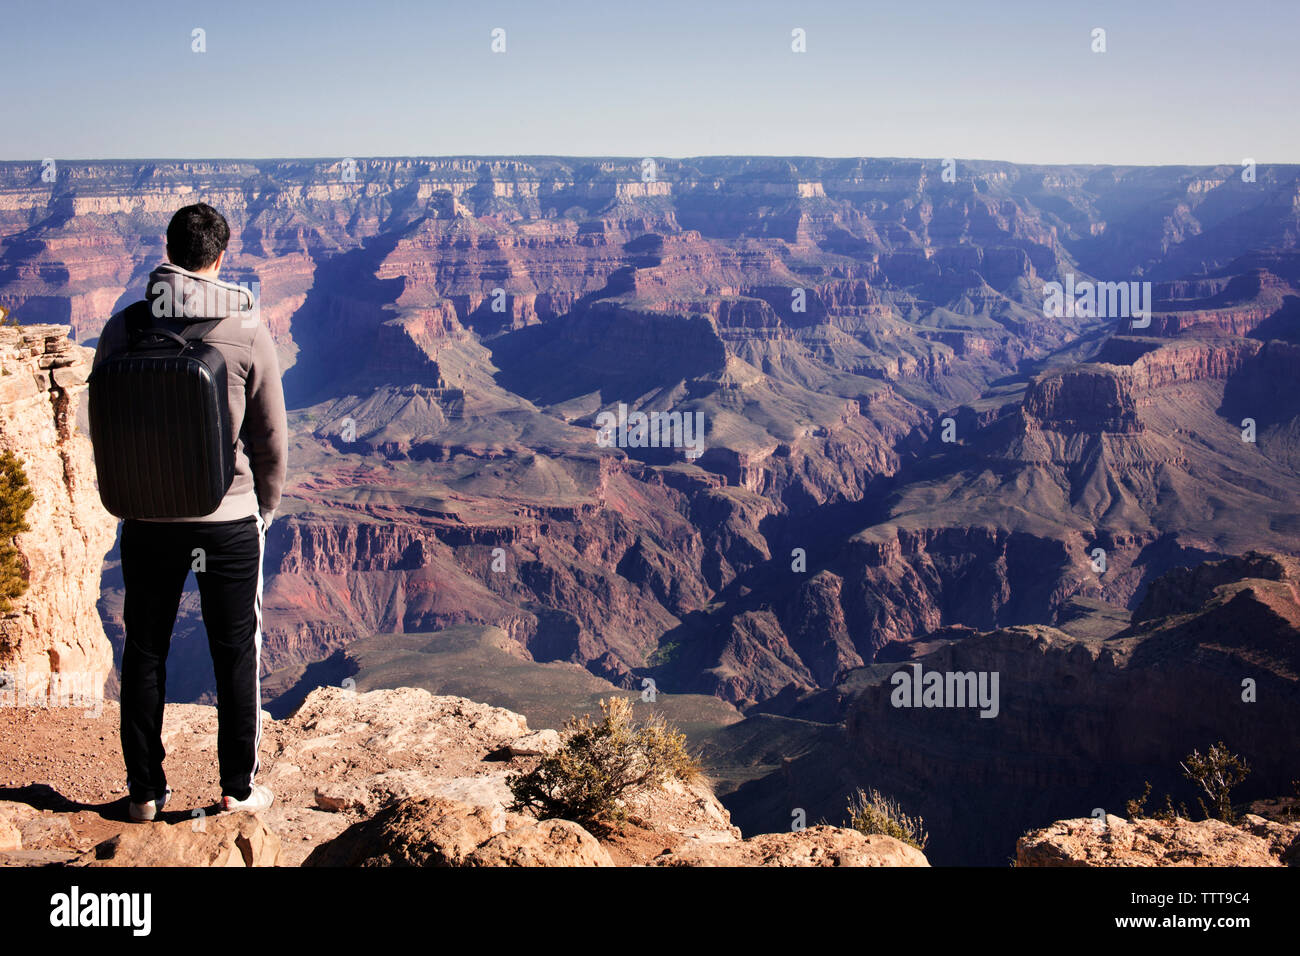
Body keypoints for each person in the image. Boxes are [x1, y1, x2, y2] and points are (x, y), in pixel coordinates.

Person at [92, 203, 288, 821]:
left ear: (169, 251)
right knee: (235, 649)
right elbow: (271, 437)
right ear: (220, 257)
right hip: (225, 518)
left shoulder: (124, 326)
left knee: (144, 650)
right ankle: (237, 787)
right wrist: (265, 506)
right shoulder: (248, 329)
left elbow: (103, 422)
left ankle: (145, 793)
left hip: (147, 518)